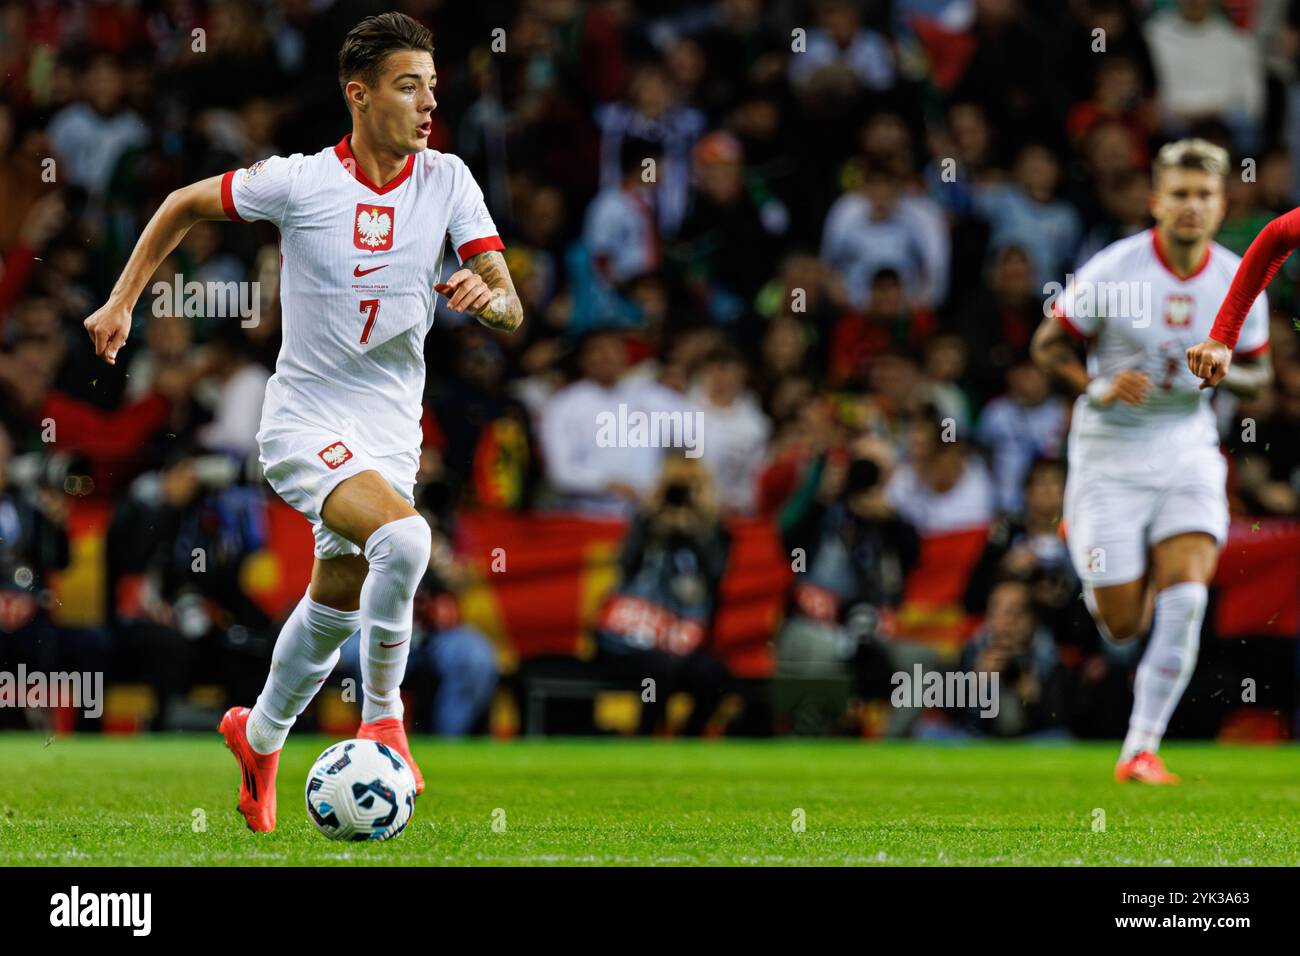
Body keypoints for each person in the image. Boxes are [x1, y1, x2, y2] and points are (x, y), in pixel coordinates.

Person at [81, 13, 523, 831]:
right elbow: (182, 203)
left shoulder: (450, 180)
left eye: (431, 85)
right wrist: (121, 301)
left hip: (390, 435)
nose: (428, 103)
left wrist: (486, 298)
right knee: (409, 541)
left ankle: (260, 734)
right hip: (304, 423)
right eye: (407, 86)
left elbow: (510, 302)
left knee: (337, 603)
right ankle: (385, 720)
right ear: (358, 95)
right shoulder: (300, 183)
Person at [1031, 139, 1272, 785]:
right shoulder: (1114, 269)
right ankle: (1078, 534)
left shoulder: (1237, 278)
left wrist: (1228, 372)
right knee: (1120, 625)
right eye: (1180, 194)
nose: (1192, 206)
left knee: (1187, 597)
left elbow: (1261, 373)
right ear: (1155, 201)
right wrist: (1094, 386)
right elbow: (1046, 344)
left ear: (1222, 204)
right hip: (1109, 449)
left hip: (1186, 445)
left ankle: (1139, 748)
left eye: (1204, 195)